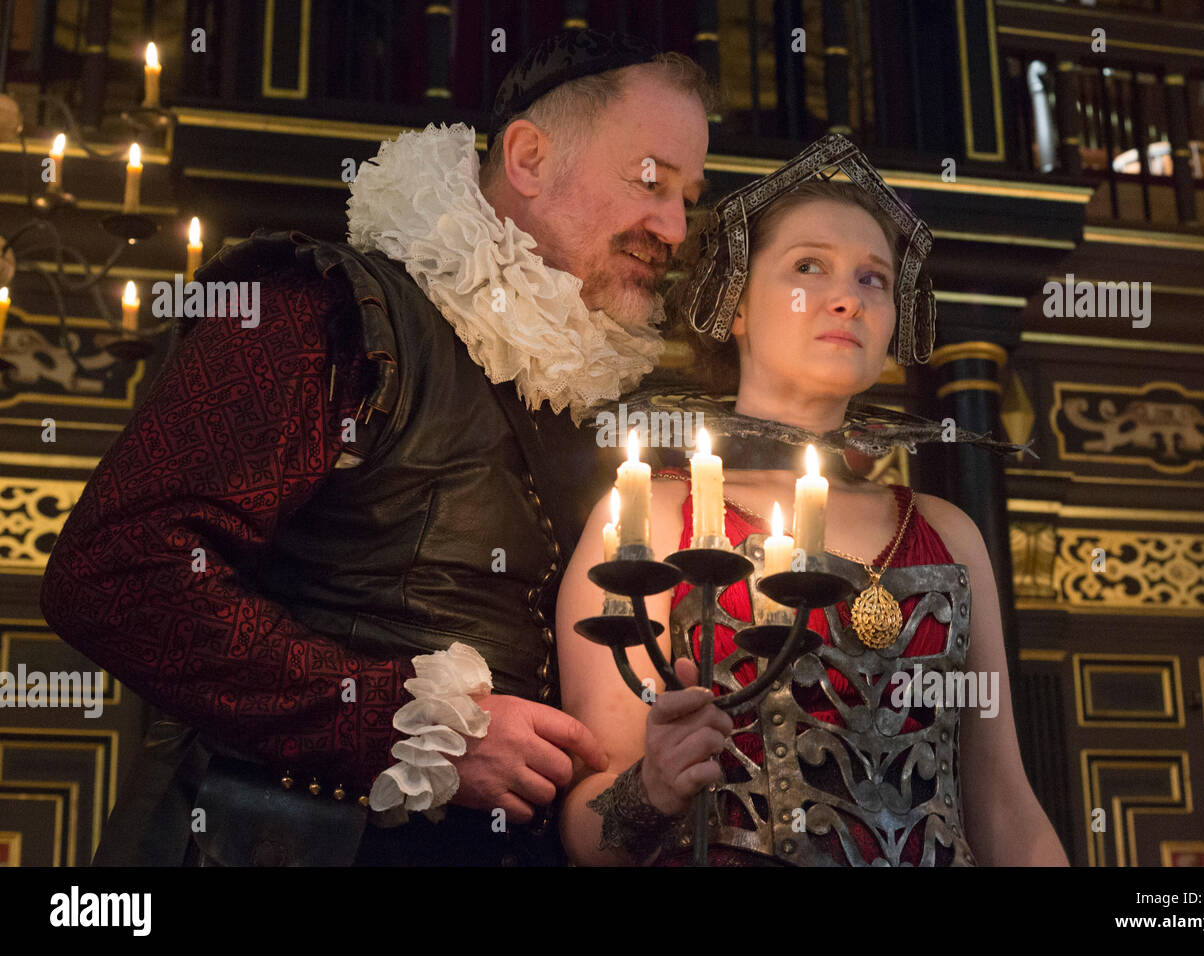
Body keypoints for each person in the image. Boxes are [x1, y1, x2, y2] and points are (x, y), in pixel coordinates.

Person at [39, 30, 712, 866]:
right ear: (530, 158)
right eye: (651, 179)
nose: (675, 226)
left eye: (690, 195)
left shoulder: (586, 400)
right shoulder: (320, 309)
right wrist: (407, 725)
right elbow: (117, 572)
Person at [556, 134, 1070, 866]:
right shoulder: (653, 519)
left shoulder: (946, 533)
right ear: (734, 304)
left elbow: (1005, 808)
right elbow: (585, 828)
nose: (846, 298)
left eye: (874, 279)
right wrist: (652, 785)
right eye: (809, 267)